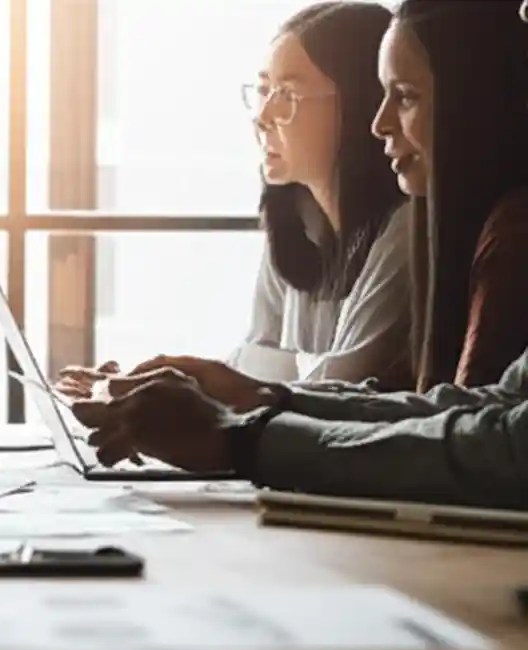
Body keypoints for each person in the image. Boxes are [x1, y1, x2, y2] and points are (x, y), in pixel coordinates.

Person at [71, 0, 528, 511]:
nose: (378, 124)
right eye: (263, 91)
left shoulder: (489, 233)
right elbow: (491, 408)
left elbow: (497, 446)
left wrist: (242, 433)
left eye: (404, 96)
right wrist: (258, 397)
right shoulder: (301, 222)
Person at [59, 2, 408, 398]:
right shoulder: (298, 219)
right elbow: (253, 364)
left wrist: (217, 380)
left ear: (360, 100)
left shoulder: (405, 231)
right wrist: (144, 385)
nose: (264, 115)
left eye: (288, 94)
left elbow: (340, 390)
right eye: (263, 91)